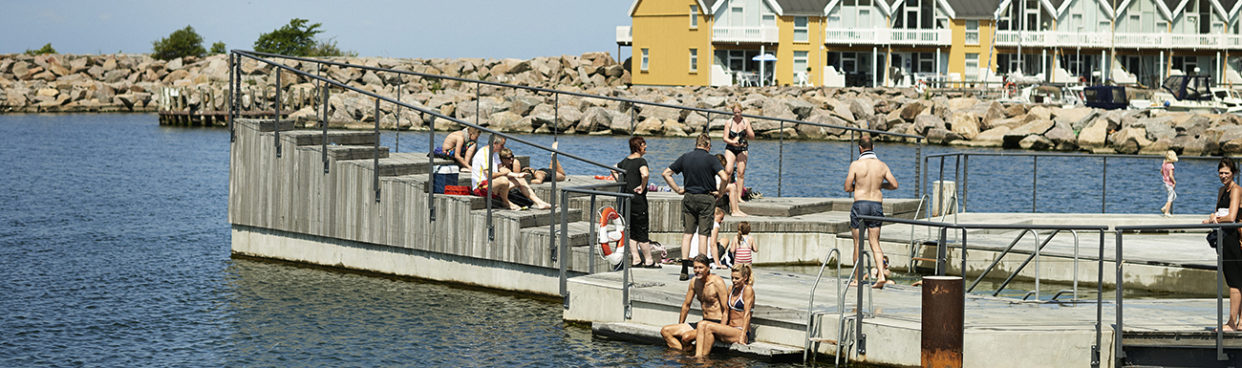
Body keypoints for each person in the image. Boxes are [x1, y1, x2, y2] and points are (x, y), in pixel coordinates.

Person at [663, 135, 728, 281]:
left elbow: (666, 173)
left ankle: (685, 268)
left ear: (696, 144)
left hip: (689, 197)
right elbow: (724, 177)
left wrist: (678, 190)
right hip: (706, 198)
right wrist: (721, 192)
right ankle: (702, 269)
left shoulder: (685, 157)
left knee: (688, 234)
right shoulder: (712, 159)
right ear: (708, 145)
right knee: (703, 235)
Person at [844, 134, 898, 289]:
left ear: (860, 148)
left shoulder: (855, 165)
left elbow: (847, 187)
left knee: (857, 244)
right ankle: (881, 275)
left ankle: (857, 279)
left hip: (860, 205)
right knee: (875, 242)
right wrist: (880, 186)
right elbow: (894, 184)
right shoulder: (882, 165)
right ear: (873, 147)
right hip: (876, 205)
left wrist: (859, 187)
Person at [660, 255, 729, 351]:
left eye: (701, 267)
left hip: (715, 323)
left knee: (686, 337)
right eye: (695, 268)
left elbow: (726, 308)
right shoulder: (694, 282)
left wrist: (723, 329)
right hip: (702, 322)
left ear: (708, 268)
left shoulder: (717, 282)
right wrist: (681, 324)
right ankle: (684, 355)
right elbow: (686, 305)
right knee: (665, 331)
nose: (697, 270)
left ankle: (685, 358)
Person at [1206, 157, 1242, 331]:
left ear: (1233, 173)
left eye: (1226, 173)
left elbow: (1232, 217)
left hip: (1234, 239)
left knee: (1235, 281)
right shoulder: (1222, 191)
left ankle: (1232, 323)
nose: (1223, 176)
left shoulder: (1236, 190)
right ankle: (1240, 321)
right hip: (1224, 237)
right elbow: (1218, 212)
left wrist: (1216, 219)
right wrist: (1211, 219)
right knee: (1235, 279)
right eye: (1220, 173)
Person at [470, 135, 549, 210]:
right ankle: (506, 203)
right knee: (503, 179)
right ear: (494, 144)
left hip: (492, 185)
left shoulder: (495, 154)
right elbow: (489, 175)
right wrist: (504, 174)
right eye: (502, 145)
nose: (503, 147)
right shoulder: (484, 153)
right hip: (480, 188)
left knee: (521, 180)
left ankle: (540, 203)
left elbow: (502, 169)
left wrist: (518, 175)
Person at [694, 264, 756, 357]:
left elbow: (747, 315)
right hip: (729, 329)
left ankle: (700, 359)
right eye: (732, 278)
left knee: (705, 325)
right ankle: (701, 358)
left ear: (745, 277)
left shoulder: (748, 290)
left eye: (737, 278)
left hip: (740, 332)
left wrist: (742, 338)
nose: (734, 281)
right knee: (703, 327)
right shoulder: (731, 289)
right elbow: (726, 312)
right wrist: (721, 329)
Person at [618, 137, 657, 268]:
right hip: (639, 200)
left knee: (632, 230)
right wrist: (642, 185)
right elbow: (645, 174)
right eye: (644, 145)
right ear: (638, 146)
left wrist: (622, 184)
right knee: (642, 231)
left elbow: (613, 169)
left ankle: (636, 259)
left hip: (627, 199)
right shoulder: (641, 161)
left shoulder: (625, 161)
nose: (646, 147)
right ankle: (649, 260)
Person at [721, 103, 753, 217]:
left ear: (742, 112)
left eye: (739, 112)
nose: (737, 114)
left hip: (742, 148)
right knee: (728, 170)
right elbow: (724, 138)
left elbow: (752, 136)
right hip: (731, 147)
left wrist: (747, 131)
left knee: (741, 173)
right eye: (735, 112)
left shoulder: (746, 122)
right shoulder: (729, 122)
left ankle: (738, 196)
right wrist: (732, 141)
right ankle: (727, 191)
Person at [1161, 150, 1178, 217]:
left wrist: (1165, 176)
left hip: (1165, 182)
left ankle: (1165, 207)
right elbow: (1171, 175)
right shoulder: (1171, 166)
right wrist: (1174, 181)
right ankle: (1167, 212)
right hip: (1169, 183)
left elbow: (1161, 171)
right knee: (1170, 198)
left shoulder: (1164, 164)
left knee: (1174, 196)